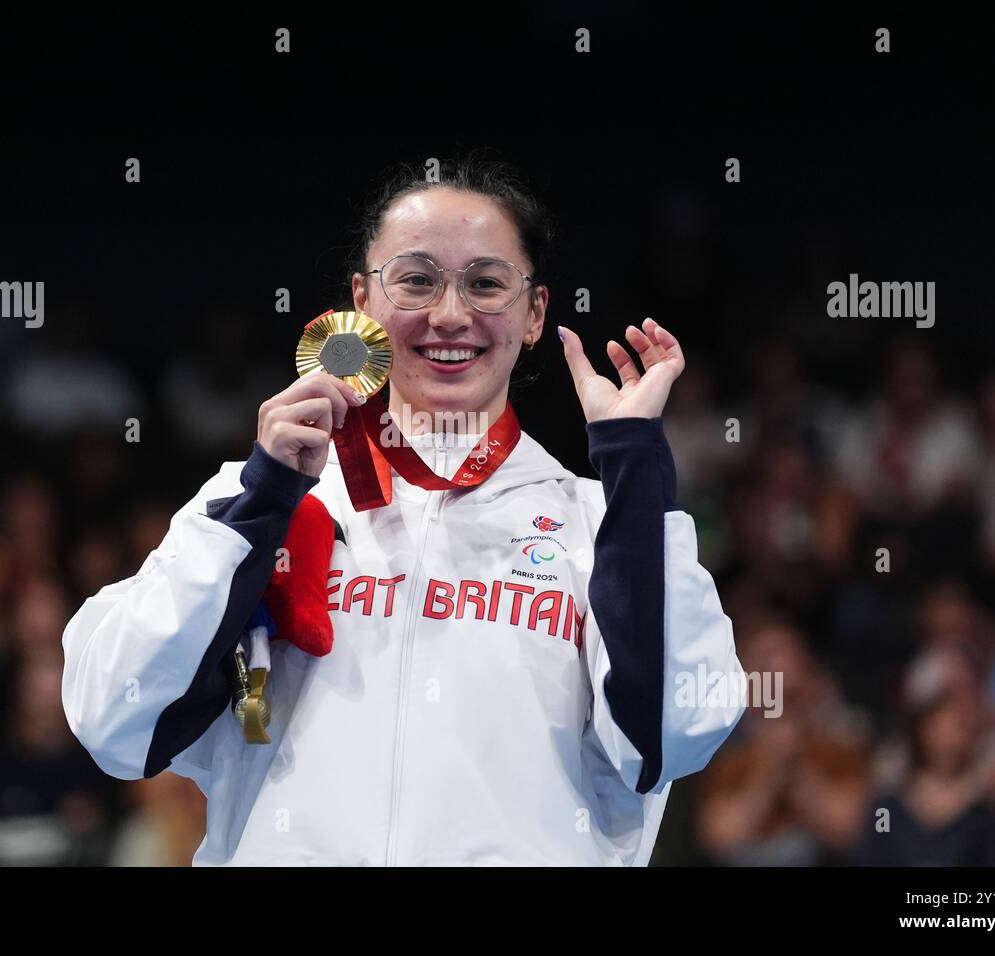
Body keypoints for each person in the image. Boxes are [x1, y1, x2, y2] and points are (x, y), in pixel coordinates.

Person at [61, 155, 745, 865]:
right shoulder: (262, 499)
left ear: (534, 312)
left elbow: (675, 733)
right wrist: (261, 506)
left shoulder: (602, 524)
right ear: (364, 300)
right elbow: (115, 718)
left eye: (486, 283)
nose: (450, 315)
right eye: (416, 280)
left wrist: (635, 471)